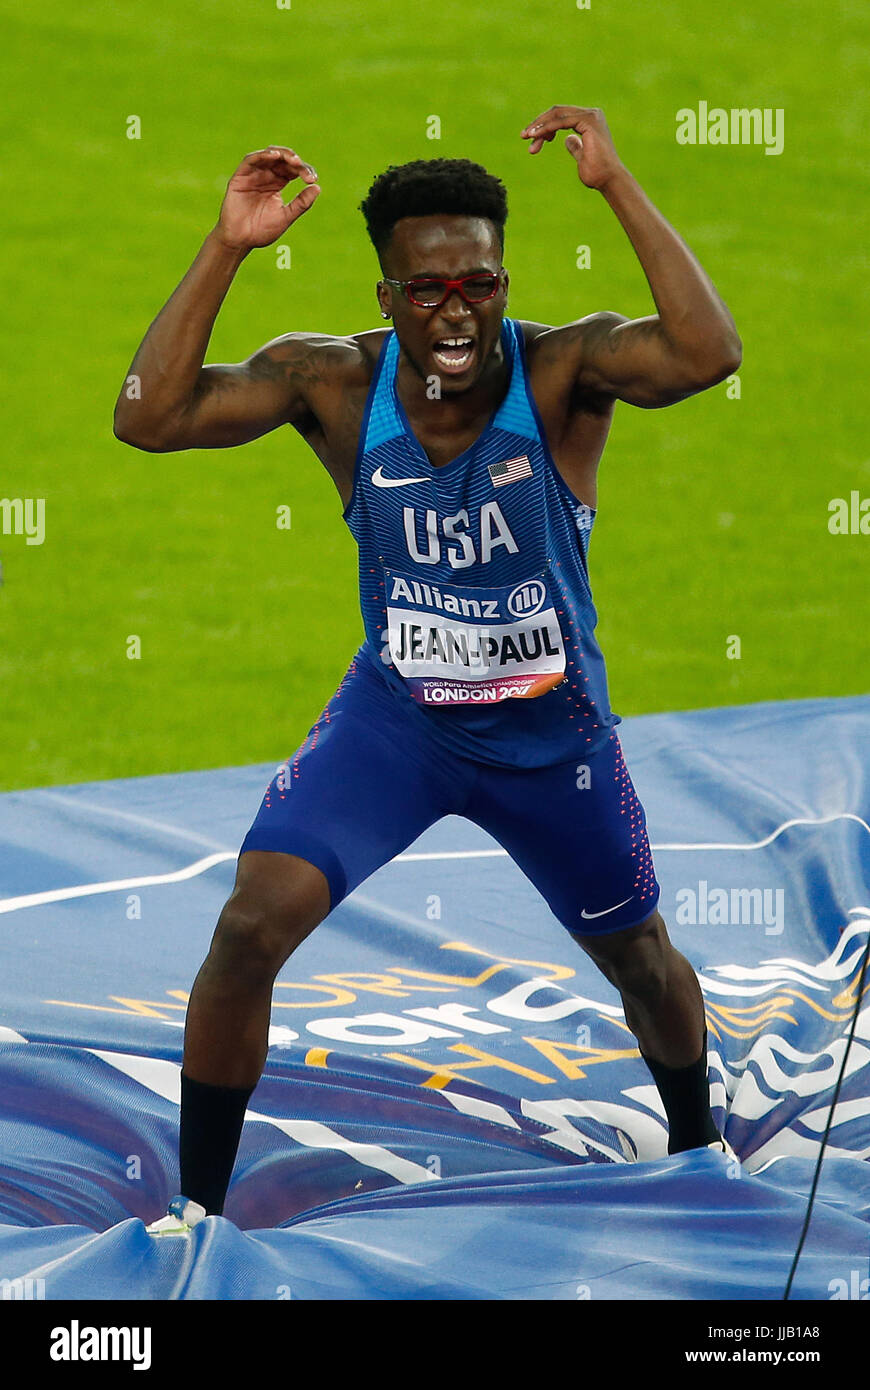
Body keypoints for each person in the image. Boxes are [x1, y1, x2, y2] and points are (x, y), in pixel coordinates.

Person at [114, 105, 742, 1229]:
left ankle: (700, 1146)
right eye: (429, 291)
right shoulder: (334, 384)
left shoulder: (559, 373)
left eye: (480, 284)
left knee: (643, 962)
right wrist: (226, 247)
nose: (458, 312)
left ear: (505, 279)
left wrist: (617, 185)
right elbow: (151, 419)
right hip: (401, 724)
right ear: (388, 300)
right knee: (249, 926)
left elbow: (709, 353)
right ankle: (197, 1213)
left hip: (553, 741)